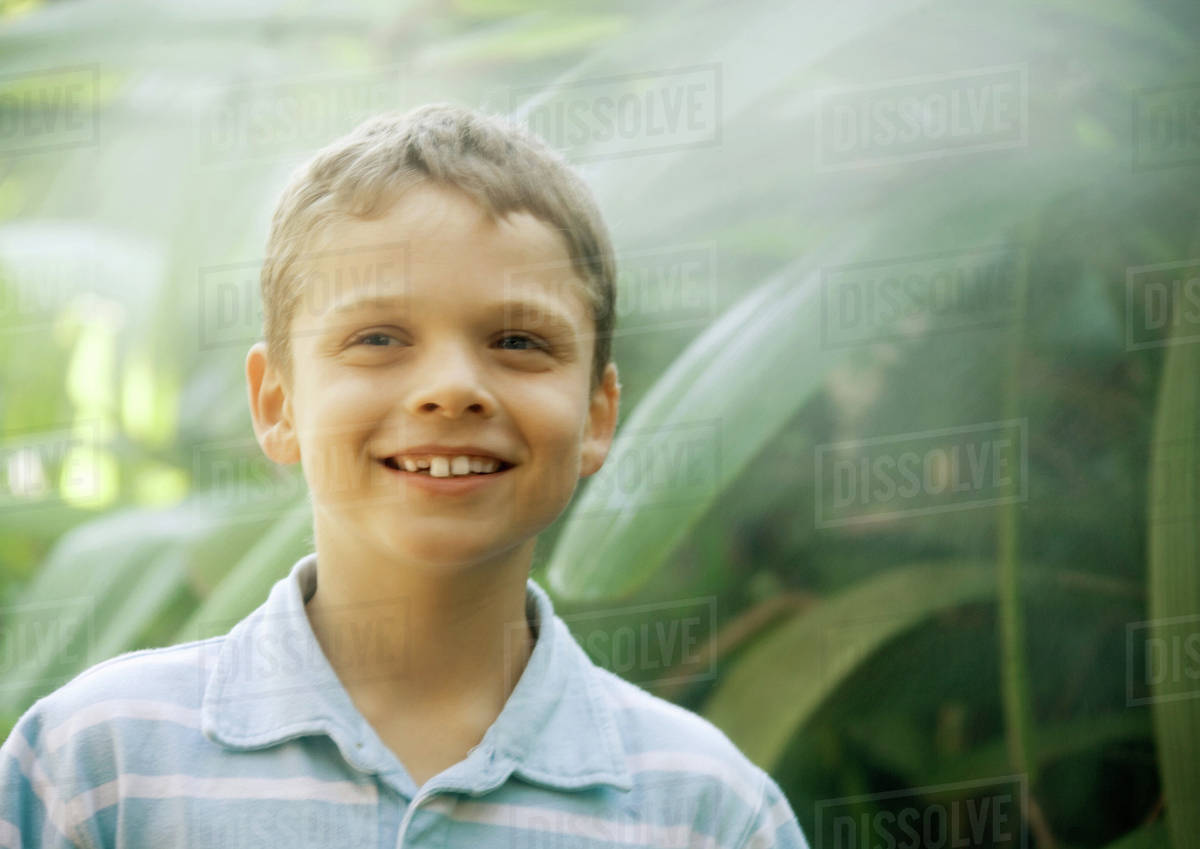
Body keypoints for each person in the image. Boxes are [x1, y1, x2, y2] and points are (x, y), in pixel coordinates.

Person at [0, 103, 809, 848]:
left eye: (520, 341)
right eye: (380, 338)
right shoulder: (95, 767)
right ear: (276, 402)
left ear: (598, 415)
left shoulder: (709, 812)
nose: (452, 387)